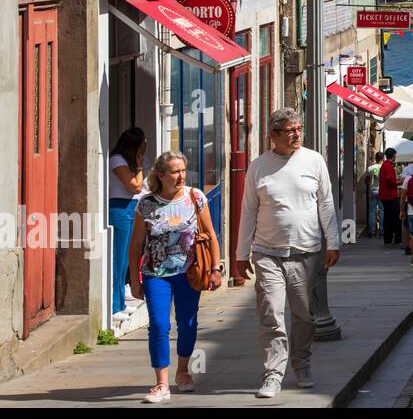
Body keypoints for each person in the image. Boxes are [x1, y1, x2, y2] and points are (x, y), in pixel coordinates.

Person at [236, 108, 340, 400]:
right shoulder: (258, 167)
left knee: (304, 315)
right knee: (271, 311)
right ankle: (272, 373)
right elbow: (248, 211)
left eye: (298, 129)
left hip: (306, 251)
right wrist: (241, 253)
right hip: (267, 251)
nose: (296, 134)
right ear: (273, 135)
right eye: (290, 130)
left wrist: (333, 242)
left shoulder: (314, 160)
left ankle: (302, 363)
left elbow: (326, 204)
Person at [128, 151, 222, 402]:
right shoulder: (146, 203)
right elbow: (136, 244)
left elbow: (211, 235)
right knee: (159, 325)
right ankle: (161, 384)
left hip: (189, 272)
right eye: (174, 172)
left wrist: (216, 269)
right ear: (161, 175)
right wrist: (135, 280)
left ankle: (183, 371)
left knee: (187, 324)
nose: (181, 176)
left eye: (183, 170)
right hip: (155, 273)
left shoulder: (195, 197)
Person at [108, 127, 147, 320]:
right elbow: (135, 186)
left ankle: (121, 301)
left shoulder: (126, 161)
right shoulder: (117, 160)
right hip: (120, 208)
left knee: (127, 257)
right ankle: (114, 306)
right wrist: (139, 166)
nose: (142, 153)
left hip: (131, 207)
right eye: (140, 149)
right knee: (119, 258)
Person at [378, 148, 402, 246]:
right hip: (390, 196)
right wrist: (400, 182)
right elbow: (390, 180)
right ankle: (396, 238)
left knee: (388, 217)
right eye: (395, 155)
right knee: (395, 218)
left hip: (385, 195)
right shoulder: (388, 166)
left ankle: (388, 238)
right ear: (393, 156)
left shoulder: (385, 165)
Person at [363, 155, 383, 237]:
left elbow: (366, 180)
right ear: (382, 158)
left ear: (375, 158)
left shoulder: (370, 168)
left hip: (372, 191)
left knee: (372, 211)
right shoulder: (384, 167)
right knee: (382, 211)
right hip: (382, 191)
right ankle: (382, 230)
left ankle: (371, 231)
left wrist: (369, 186)